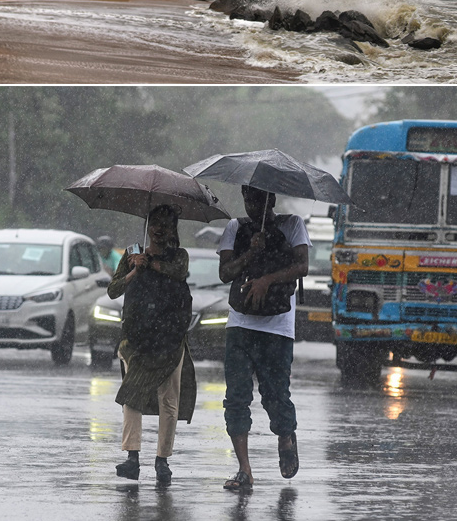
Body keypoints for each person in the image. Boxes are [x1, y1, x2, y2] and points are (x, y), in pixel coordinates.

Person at [217, 185, 310, 492]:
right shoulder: (236, 228)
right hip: (240, 325)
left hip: (277, 328)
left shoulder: (292, 224)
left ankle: (286, 436)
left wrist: (267, 279)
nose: (252, 205)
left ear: (272, 199)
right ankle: (245, 469)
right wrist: (251, 253)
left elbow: (303, 266)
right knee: (237, 397)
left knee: (275, 394)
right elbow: (225, 272)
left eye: (258, 199)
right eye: (247, 199)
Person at [108, 204, 196, 485]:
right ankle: (132, 458)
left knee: (168, 400)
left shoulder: (179, 256)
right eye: (154, 222)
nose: (159, 228)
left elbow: (178, 272)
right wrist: (134, 269)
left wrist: (152, 263)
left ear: (173, 229)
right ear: (147, 225)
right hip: (136, 339)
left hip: (170, 340)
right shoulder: (131, 253)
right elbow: (113, 290)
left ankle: (162, 460)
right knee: (131, 394)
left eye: (165, 224)